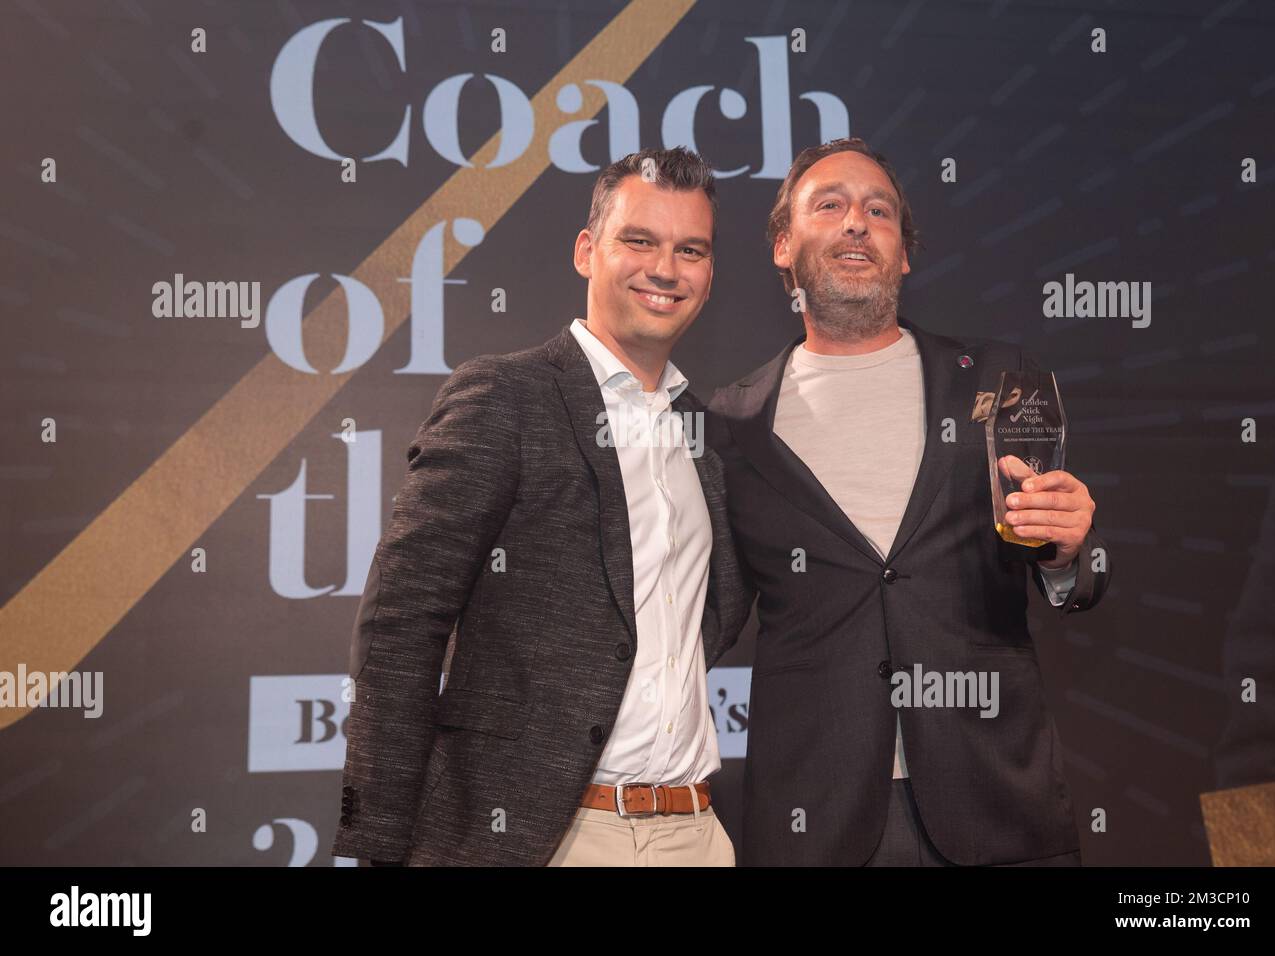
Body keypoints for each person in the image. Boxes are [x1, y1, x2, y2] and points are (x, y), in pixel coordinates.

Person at [332, 147, 751, 866]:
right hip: (541, 838)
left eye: (691, 250)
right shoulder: (506, 397)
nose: (665, 269)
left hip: (695, 833)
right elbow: (402, 620)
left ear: (709, 275)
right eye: (639, 240)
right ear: (587, 251)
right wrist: (379, 841)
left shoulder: (706, 435)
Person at [708, 137, 1111, 866]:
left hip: (996, 798)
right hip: (816, 816)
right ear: (782, 246)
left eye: (879, 211)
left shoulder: (998, 380)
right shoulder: (732, 423)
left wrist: (1067, 549)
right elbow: (701, 613)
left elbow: (1062, 555)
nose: (856, 222)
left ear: (904, 256)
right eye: (829, 205)